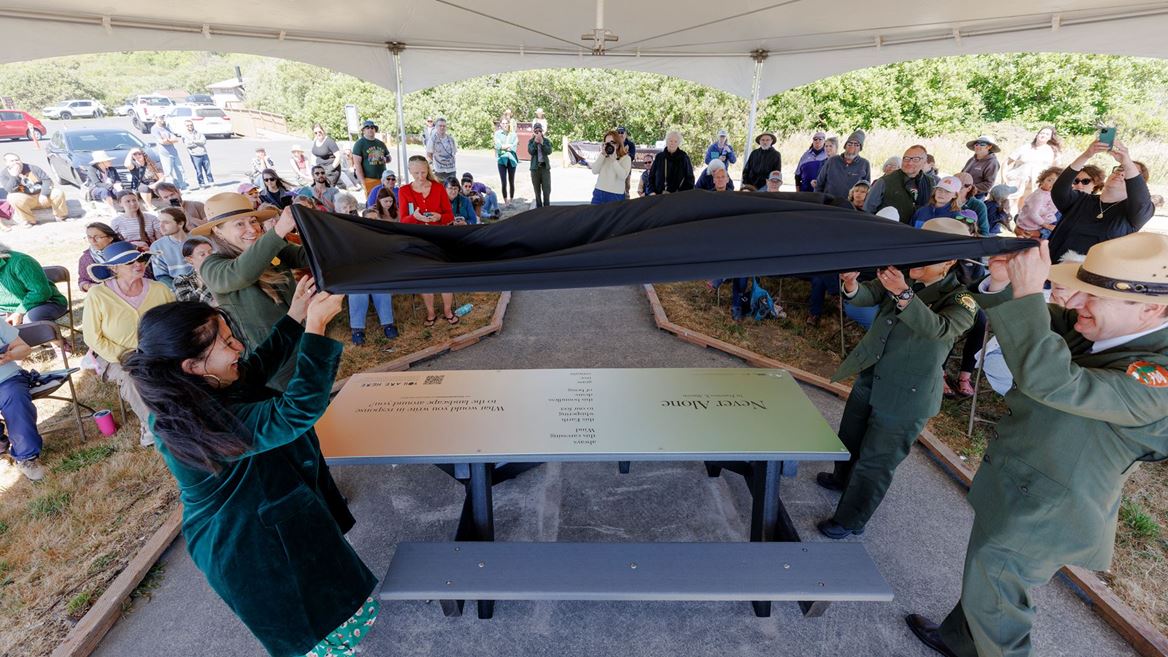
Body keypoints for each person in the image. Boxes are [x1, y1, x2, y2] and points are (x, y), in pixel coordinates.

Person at [908, 233, 1168, 657]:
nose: (1075, 304)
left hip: (1051, 508)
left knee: (996, 595)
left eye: (1093, 298)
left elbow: (1054, 379)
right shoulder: (1109, 329)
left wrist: (1028, 290)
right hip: (1025, 481)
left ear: (1151, 309)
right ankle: (959, 640)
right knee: (985, 578)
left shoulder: (1158, 377)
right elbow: (1029, 318)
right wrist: (1003, 281)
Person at [122, 296, 379, 657]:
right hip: (249, 547)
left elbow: (253, 368)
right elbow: (296, 411)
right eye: (226, 343)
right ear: (192, 366)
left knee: (334, 609)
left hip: (273, 520)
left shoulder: (197, 390)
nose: (238, 346)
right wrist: (315, 329)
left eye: (231, 336)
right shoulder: (200, 423)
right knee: (314, 630)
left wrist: (294, 317)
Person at [815, 217, 978, 539]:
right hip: (872, 376)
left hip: (907, 394)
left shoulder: (961, 299)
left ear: (949, 261)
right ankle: (842, 479)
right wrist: (851, 284)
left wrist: (903, 294)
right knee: (850, 437)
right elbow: (866, 295)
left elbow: (939, 329)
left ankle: (851, 519)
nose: (915, 257)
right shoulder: (905, 279)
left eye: (926, 252)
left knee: (876, 460)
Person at [195, 194, 308, 389]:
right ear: (218, 232)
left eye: (253, 221)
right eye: (240, 224)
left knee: (316, 396)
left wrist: (312, 226)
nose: (252, 229)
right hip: (269, 358)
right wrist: (279, 229)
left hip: (302, 341)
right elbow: (241, 273)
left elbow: (308, 256)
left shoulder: (271, 248)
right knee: (293, 409)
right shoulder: (212, 265)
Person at [81, 241, 176, 446]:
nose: (138, 265)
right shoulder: (98, 294)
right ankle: (153, 425)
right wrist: (126, 356)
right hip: (116, 357)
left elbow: (173, 321)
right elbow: (92, 337)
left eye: (140, 259)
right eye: (129, 262)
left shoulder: (159, 289)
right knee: (134, 377)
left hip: (159, 351)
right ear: (114, 268)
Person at [1048, 140, 1154, 264]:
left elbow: (1141, 200)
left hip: (1093, 280)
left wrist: (1127, 162)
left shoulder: (1135, 214)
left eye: (1127, 171)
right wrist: (1086, 155)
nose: (1121, 173)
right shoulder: (1080, 200)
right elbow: (1059, 189)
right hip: (1052, 275)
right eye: (1119, 169)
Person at [399, 156, 458, 326]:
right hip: (418, 240)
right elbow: (403, 220)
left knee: (445, 277)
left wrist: (439, 217)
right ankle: (431, 313)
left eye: (423, 172)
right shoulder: (404, 191)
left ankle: (448, 311)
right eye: (416, 172)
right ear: (410, 171)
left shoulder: (439, 188)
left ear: (428, 169)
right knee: (426, 278)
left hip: (439, 238)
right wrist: (414, 217)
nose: (420, 176)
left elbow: (449, 216)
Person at [0, 319, 46, 480]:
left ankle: (27, 458)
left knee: (15, 400)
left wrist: (9, 355)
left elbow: (24, 348)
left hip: (8, 379)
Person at [864, 145, 934, 224]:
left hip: (917, 231)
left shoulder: (930, 183)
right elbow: (868, 210)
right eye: (906, 158)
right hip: (889, 230)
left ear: (924, 162)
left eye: (915, 159)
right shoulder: (885, 181)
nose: (909, 163)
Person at [0, 244, 68, 325]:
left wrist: (19, 312)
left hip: (44, 303)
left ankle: (51, 337)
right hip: (6, 310)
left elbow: (41, 292)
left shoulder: (20, 261)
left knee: (30, 320)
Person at [1, 153, 68, 227]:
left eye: (17, 160)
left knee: (58, 192)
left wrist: (44, 194)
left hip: (43, 197)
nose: (15, 162)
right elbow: (9, 189)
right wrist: (14, 176)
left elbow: (47, 180)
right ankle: (29, 221)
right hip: (28, 200)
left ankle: (61, 216)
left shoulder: (32, 168)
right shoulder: (4, 174)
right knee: (11, 197)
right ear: (6, 163)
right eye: (12, 161)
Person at [1004, 126, 1062, 207]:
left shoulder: (1052, 152)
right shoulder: (1025, 147)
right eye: (1042, 133)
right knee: (1009, 205)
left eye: (1047, 134)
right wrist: (1004, 177)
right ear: (1037, 135)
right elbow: (1007, 162)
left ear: (1050, 138)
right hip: (1016, 182)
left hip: (1035, 185)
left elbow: (1055, 171)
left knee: (1026, 206)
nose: (1043, 135)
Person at [815, 130, 871, 206]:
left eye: (856, 145)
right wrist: (818, 202)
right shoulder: (832, 161)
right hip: (829, 205)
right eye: (850, 144)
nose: (852, 147)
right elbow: (819, 184)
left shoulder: (864, 164)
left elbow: (867, 190)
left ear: (860, 148)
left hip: (851, 208)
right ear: (845, 146)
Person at [1014, 165, 1062, 239]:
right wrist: (1047, 225)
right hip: (1028, 226)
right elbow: (1033, 213)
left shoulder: (1048, 193)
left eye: (1056, 182)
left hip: (1033, 226)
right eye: (1049, 180)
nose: (1052, 184)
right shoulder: (1039, 196)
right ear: (1042, 180)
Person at [151, 207, 193, 288]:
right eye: (159, 222)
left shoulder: (200, 240)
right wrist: (178, 290)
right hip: (178, 289)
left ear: (180, 224)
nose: (161, 226)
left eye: (166, 222)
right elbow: (161, 276)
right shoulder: (156, 246)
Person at [591, 129, 633, 204]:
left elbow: (623, 176)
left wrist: (614, 160)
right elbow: (594, 171)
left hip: (615, 195)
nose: (609, 145)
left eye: (612, 143)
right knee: (594, 216)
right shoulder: (603, 156)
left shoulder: (626, 158)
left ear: (618, 144)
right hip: (599, 192)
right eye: (606, 143)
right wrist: (602, 155)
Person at [78, 222, 123, 292]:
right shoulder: (85, 258)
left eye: (97, 237)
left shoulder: (123, 253)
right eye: (89, 237)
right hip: (102, 296)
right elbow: (82, 280)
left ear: (110, 238)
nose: (93, 241)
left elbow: (142, 276)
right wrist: (89, 286)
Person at [350, 120, 390, 197]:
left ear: (375, 130)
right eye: (367, 128)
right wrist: (363, 182)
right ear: (363, 130)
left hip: (383, 178)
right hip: (369, 179)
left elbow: (389, 158)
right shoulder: (359, 144)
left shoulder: (380, 143)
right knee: (372, 202)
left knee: (385, 199)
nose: (370, 129)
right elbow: (357, 165)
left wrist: (385, 159)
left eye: (372, 127)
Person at [172, 237, 215, 305]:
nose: (209, 256)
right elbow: (188, 306)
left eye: (211, 252)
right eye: (202, 254)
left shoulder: (223, 271)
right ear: (189, 259)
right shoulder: (182, 280)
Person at [150, 115, 187, 190]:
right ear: (156, 119)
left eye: (163, 117)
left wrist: (168, 140)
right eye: (160, 118)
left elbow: (176, 139)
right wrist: (169, 140)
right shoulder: (154, 129)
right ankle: (171, 189)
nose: (162, 119)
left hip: (173, 152)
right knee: (168, 172)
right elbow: (161, 142)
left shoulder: (166, 128)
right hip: (165, 154)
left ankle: (183, 186)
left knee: (180, 170)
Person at [953, 172, 990, 236]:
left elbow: (985, 234)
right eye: (952, 186)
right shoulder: (946, 199)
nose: (954, 190)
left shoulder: (979, 206)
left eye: (959, 188)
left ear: (969, 188)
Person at [181, 119, 213, 190]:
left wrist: (193, 141)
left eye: (191, 125)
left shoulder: (199, 133)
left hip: (203, 153)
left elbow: (203, 141)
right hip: (195, 155)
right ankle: (201, 184)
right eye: (188, 125)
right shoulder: (184, 135)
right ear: (185, 126)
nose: (190, 126)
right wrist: (198, 142)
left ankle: (211, 182)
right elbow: (188, 145)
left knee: (208, 169)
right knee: (199, 171)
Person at [426, 116, 458, 184]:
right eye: (440, 126)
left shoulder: (451, 139)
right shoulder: (432, 139)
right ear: (436, 127)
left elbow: (454, 154)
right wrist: (432, 168)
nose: (442, 127)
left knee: (451, 191)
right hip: (439, 171)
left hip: (451, 170)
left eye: (444, 126)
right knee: (439, 191)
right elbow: (429, 155)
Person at [494, 119, 519, 205]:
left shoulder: (513, 135)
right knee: (503, 182)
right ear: (500, 124)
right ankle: (505, 200)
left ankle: (511, 199)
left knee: (511, 181)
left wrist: (503, 147)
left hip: (511, 160)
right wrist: (507, 146)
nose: (505, 125)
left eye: (506, 123)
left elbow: (514, 148)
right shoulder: (497, 134)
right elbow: (497, 146)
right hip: (501, 160)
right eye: (503, 123)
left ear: (508, 124)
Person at [528, 122, 553, 208]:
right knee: (537, 191)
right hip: (535, 169)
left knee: (547, 190)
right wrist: (535, 142)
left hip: (544, 168)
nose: (538, 133)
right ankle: (539, 209)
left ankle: (547, 208)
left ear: (542, 131)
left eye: (540, 131)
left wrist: (542, 143)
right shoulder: (531, 141)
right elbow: (530, 151)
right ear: (533, 132)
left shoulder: (546, 141)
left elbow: (549, 151)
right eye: (536, 131)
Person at [616, 126, 637, 198]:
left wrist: (622, 153)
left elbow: (632, 157)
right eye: (618, 133)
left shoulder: (631, 144)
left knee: (626, 189)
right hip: (615, 169)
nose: (620, 134)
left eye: (622, 132)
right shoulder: (614, 143)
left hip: (626, 170)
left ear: (626, 134)